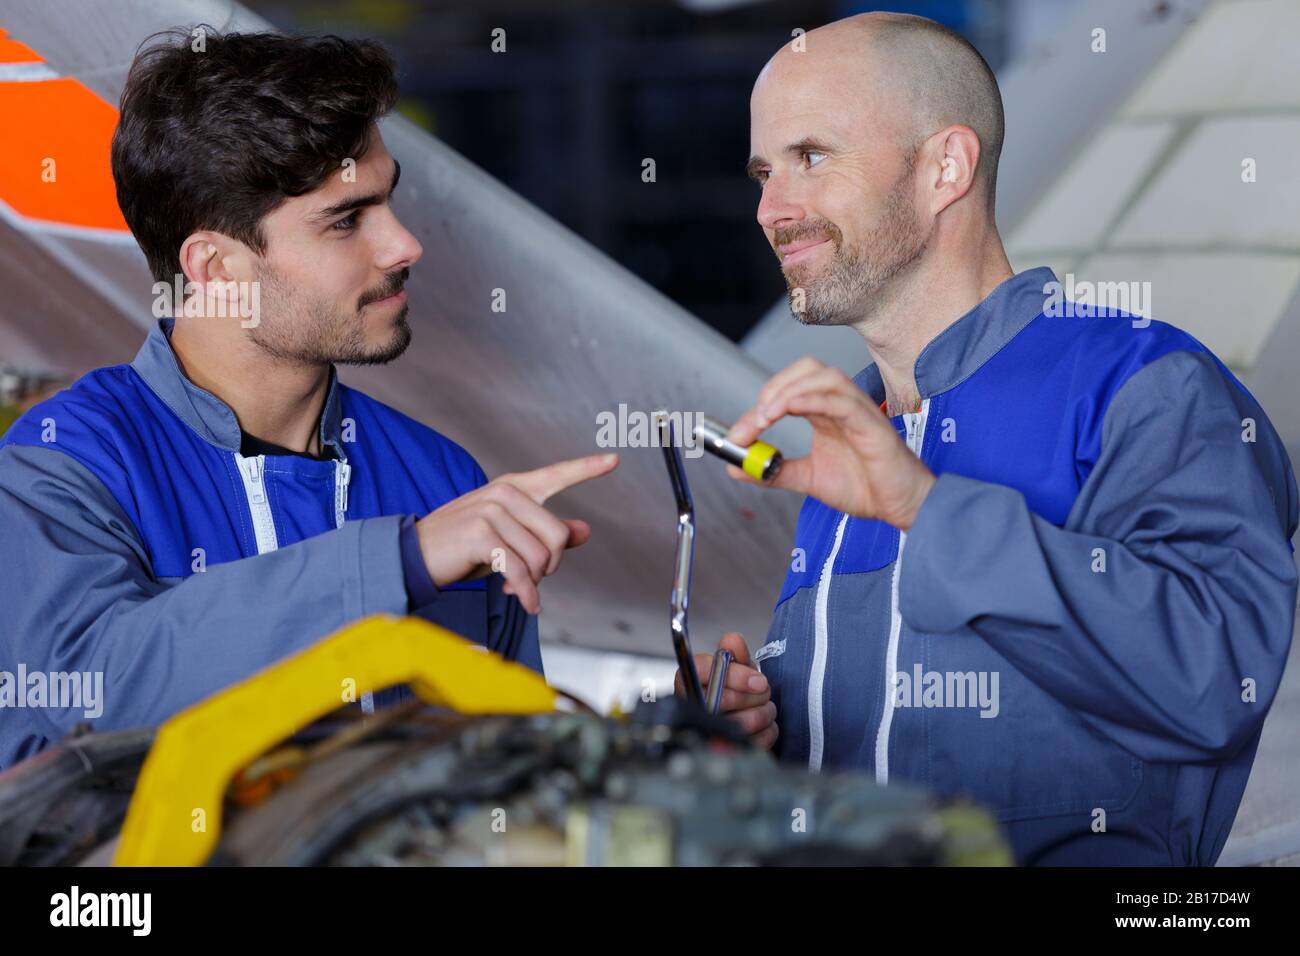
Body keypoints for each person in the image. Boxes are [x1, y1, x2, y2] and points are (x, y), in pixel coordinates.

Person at [679, 12, 1298, 865]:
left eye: (812, 157)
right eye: (763, 172)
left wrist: (931, 513)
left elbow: (1214, 679)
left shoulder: (1146, 388)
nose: (771, 209)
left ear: (946, 167)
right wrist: (758, 734)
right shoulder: (847, 441)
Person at [0, 29, 617, 770]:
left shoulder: (445, 481)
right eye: (346, 220)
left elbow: (518, 789)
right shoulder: (61, 468)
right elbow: (89, 694)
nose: (404, 245)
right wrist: (401, 562)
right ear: (217, 266)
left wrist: (682, 740)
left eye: (389, 199)